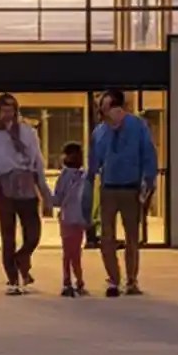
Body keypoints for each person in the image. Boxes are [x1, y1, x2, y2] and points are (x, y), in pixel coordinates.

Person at [84, 88, 158, 298]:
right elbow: (94, 161)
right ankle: (113, 279)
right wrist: (88, 182)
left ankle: (132, 280)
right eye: (102, 108)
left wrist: (148, 181)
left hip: (131, 188)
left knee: (132, 237)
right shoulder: (100, 132)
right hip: (108, 188)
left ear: (118, 108)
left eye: (106, 107)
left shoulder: (138, 126)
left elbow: (148, 154)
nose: (103, 112)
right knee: (106, 237)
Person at [0, 93, 51, 295]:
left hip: (27, 184)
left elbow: (38, 160)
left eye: (11, 108)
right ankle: (13, 278)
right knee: (8, 234)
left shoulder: (28, 132)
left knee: (33, 232)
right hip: (5, 186)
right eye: (3, 109)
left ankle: (22, 257)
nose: (8, 113)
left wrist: (44, 191)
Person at [52, 142, 90, 298]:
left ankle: (73, 281)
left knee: (70, 253)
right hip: (74, 219)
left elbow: (57, 199)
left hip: (70, 218)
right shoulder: (82, 176)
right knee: (73, 253)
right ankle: (73, 281)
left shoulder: (73, 176)